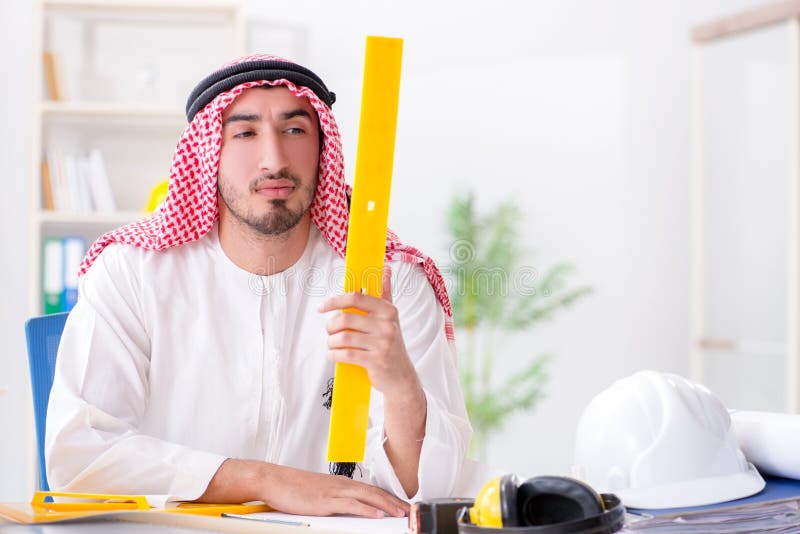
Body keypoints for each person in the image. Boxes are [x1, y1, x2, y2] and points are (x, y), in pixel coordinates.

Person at [44, 54, 472, 518]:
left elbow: (428, 493)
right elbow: (79, 455)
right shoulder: (132, 272)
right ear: (210, 153)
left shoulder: (393, 281)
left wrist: (400, 384)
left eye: (294, 130)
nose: (275, 159)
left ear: (323, 147)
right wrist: (264, 480)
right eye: (245, 133)